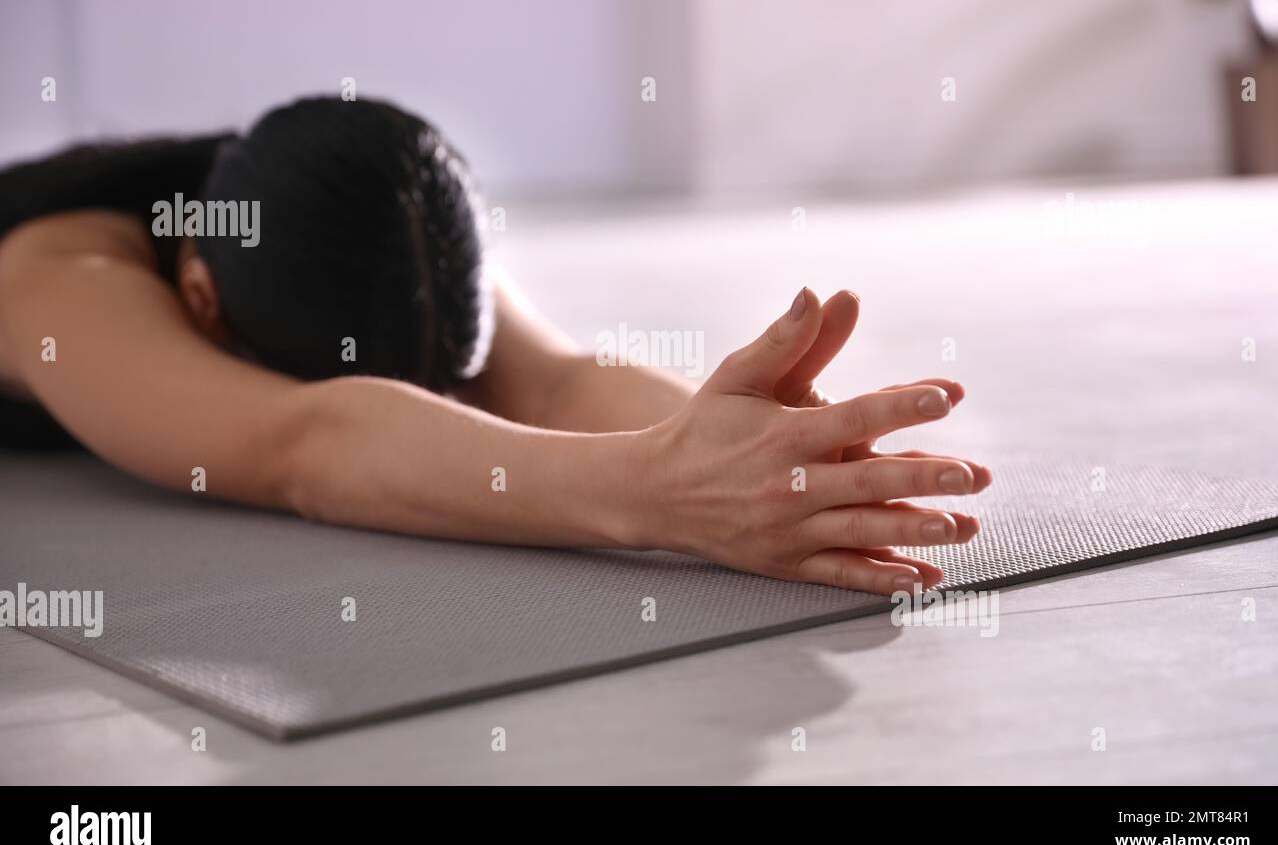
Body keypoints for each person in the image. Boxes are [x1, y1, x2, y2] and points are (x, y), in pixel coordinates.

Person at [0, 96, 990, 594]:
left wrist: (762, 448)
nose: (454, 395)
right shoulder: (59, 285)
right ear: (204, 300)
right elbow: (302, 440)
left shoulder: (372, 211)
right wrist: (668, 496)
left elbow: (553, 385)